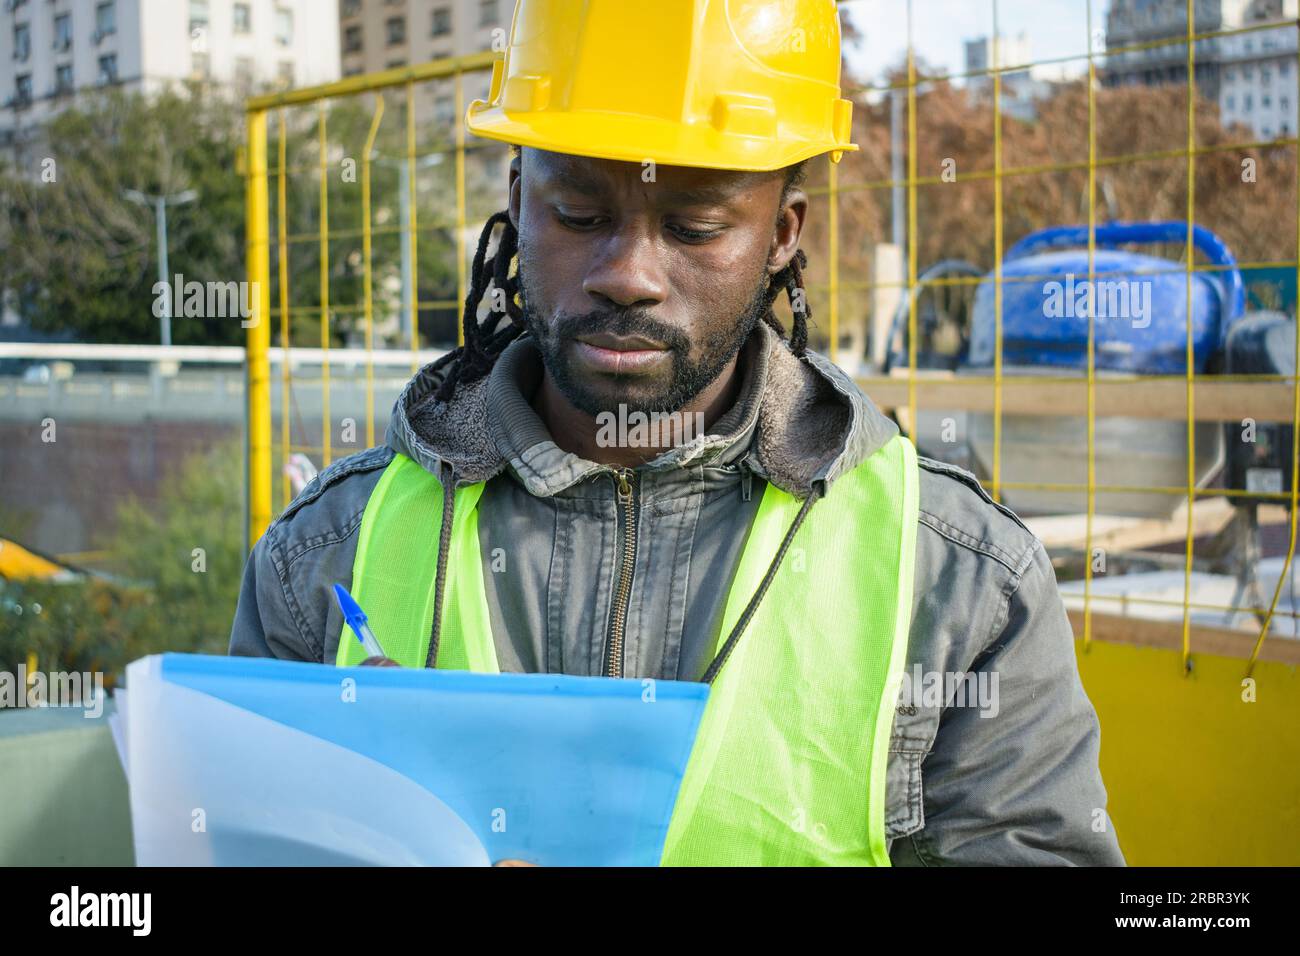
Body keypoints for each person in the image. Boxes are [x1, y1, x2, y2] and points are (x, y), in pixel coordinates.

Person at [230, 0, 1124, 867]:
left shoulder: (961, 582)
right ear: (519, 201)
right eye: (579, 215)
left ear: (782, 233)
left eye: (694, 227)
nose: (628, 276)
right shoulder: (322, 556)